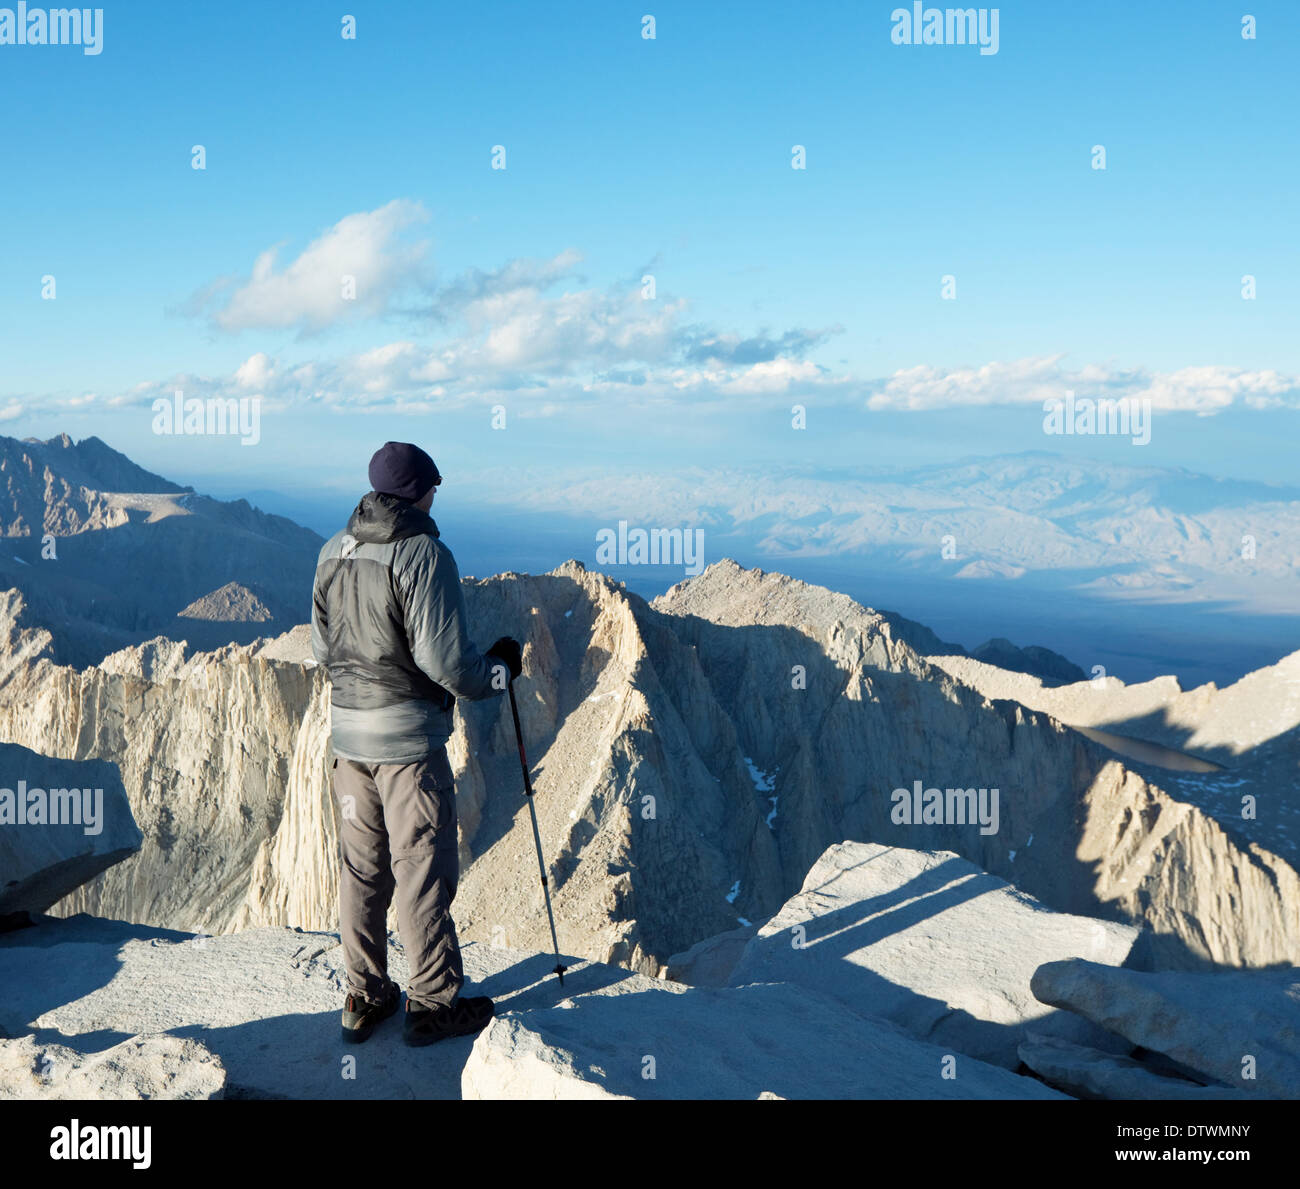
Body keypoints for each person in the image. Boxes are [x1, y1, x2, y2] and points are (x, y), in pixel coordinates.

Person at [310, 441, 522, 1046]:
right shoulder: (424, 554)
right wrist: (500, 670)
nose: (437, 494)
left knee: (362, 869)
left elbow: (324, 650)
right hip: (406, 748)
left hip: (347, 739)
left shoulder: (333, 550)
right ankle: (430, 1005)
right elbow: (446, 661)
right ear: (418, 492)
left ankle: (363, 997)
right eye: (435, 485)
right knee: (420, 869)